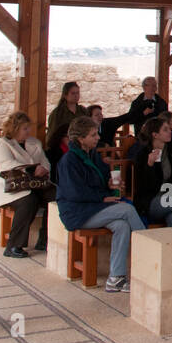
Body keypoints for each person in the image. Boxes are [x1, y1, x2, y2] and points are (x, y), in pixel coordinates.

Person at [56, 116, 145, 292]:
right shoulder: (69, 161)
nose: (98, 138)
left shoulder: (92, 155)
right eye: (93, 135)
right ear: (81, 139)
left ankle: (116, 278)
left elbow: (104, 177)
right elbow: (75, 192)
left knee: (121, 226)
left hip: (93, 208)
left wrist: (111, 184)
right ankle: (149, 254)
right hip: (77, 213)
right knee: (127, 210)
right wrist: (103, 198)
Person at [0, 112, 54, 257]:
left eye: (28, 128)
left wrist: (44, 168)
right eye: (25, 128)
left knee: (55, 195)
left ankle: (44, 238)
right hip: (12, 186)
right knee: (28, 201)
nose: (28, 131)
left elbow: (44, 161)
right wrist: (31, 168)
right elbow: (6, 163)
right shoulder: (3, 143)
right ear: (15, 128)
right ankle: (14, 245)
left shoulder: (34, 142)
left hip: (35, 183)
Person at [133, 116, 172, 227]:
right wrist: (150, 165)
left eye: (169, 129)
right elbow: (143, 185)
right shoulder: (143, 154)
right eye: (165, 130)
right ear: (155, 135)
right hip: (152, 201)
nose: (170, 131)